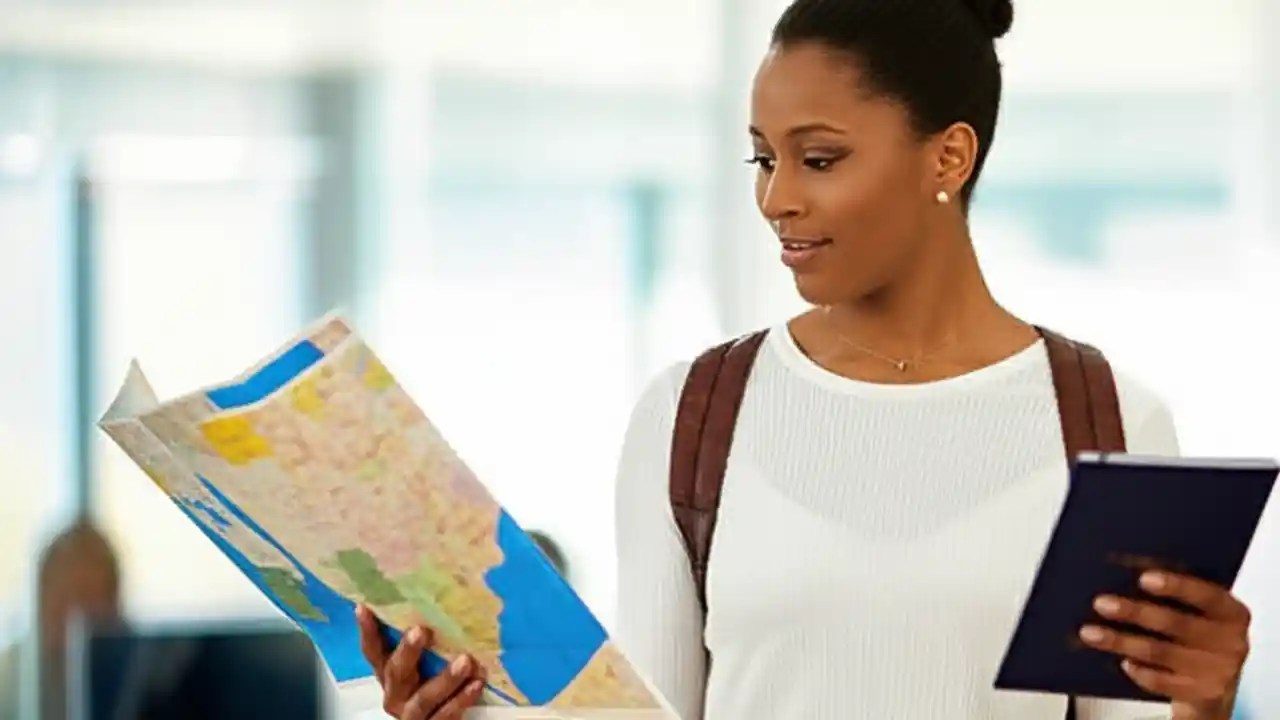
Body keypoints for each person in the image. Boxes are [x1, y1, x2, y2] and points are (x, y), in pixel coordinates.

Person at [356, 0, 1256, 718]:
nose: (777, 198)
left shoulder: (1106, 419)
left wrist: (1204, 702)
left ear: (949, 155)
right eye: (762, 159)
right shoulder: (693, 415)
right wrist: (461, 711)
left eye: (818, 158)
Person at [0, 519, 123, 720]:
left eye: (93, 599)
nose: (80, 616)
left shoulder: (139, 686)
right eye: (67, 596)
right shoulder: (8, 683)